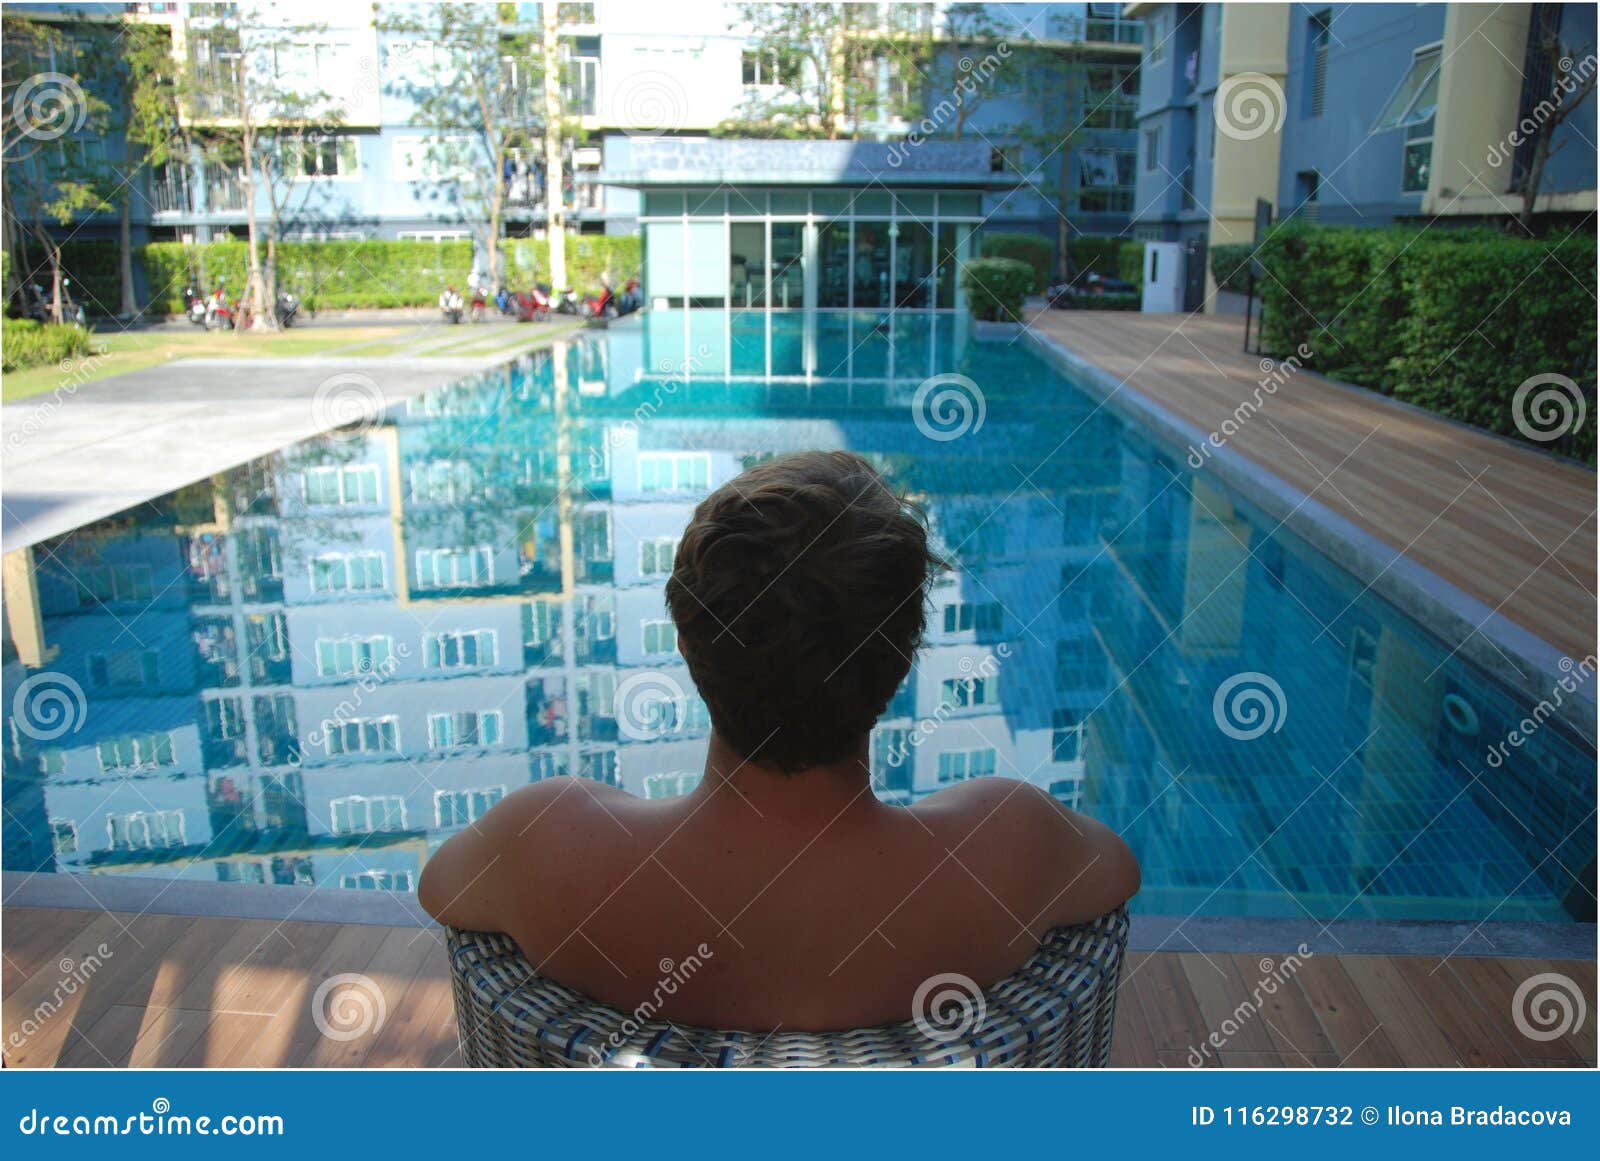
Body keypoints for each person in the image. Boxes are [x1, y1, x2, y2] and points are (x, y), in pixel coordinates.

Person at [420, 451, 1139, 1033]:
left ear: (687, 640)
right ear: (901, 657)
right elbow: (1119, 870)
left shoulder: (550, 843)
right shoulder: (1009, 847)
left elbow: (438, 886)